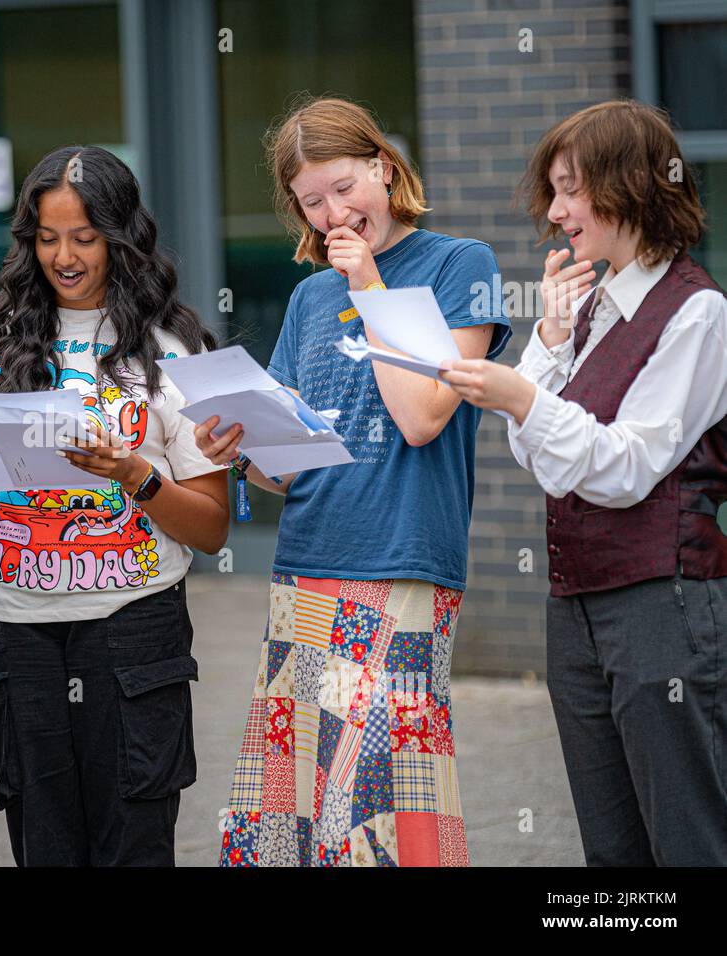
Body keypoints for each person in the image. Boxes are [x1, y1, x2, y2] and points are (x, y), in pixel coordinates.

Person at [197, 96, 511, 867]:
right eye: (312, 201)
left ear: (385, 168)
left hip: (402, 559)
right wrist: (236, 448)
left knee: (381, 804)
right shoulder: (309, 298)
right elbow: (285, 468)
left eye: (345, 186)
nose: (334, 210)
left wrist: (369, 288)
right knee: (302, 806)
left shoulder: (458, 264)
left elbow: (422, 418)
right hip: (306, 564)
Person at [0, 145, 228, 866]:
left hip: (132, 635)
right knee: (44, 848)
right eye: (47, 237)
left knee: (134, 846)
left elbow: (212, 528)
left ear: (122, 239)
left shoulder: (173, 348)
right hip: (14, 635)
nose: (64, 256)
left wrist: (135, 477)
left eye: (85, 238)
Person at [440, 99, 727, 866]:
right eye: (555, 192)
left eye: (571, 189)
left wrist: (523, 395)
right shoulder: (593, 306)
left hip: (660, 602)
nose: (558, 212)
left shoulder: (699, 314)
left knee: (687, 839)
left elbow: (626, 467)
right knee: (611, 848)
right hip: (576, 610)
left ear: (629, 184)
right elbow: (542, 458)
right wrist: (547, 341)